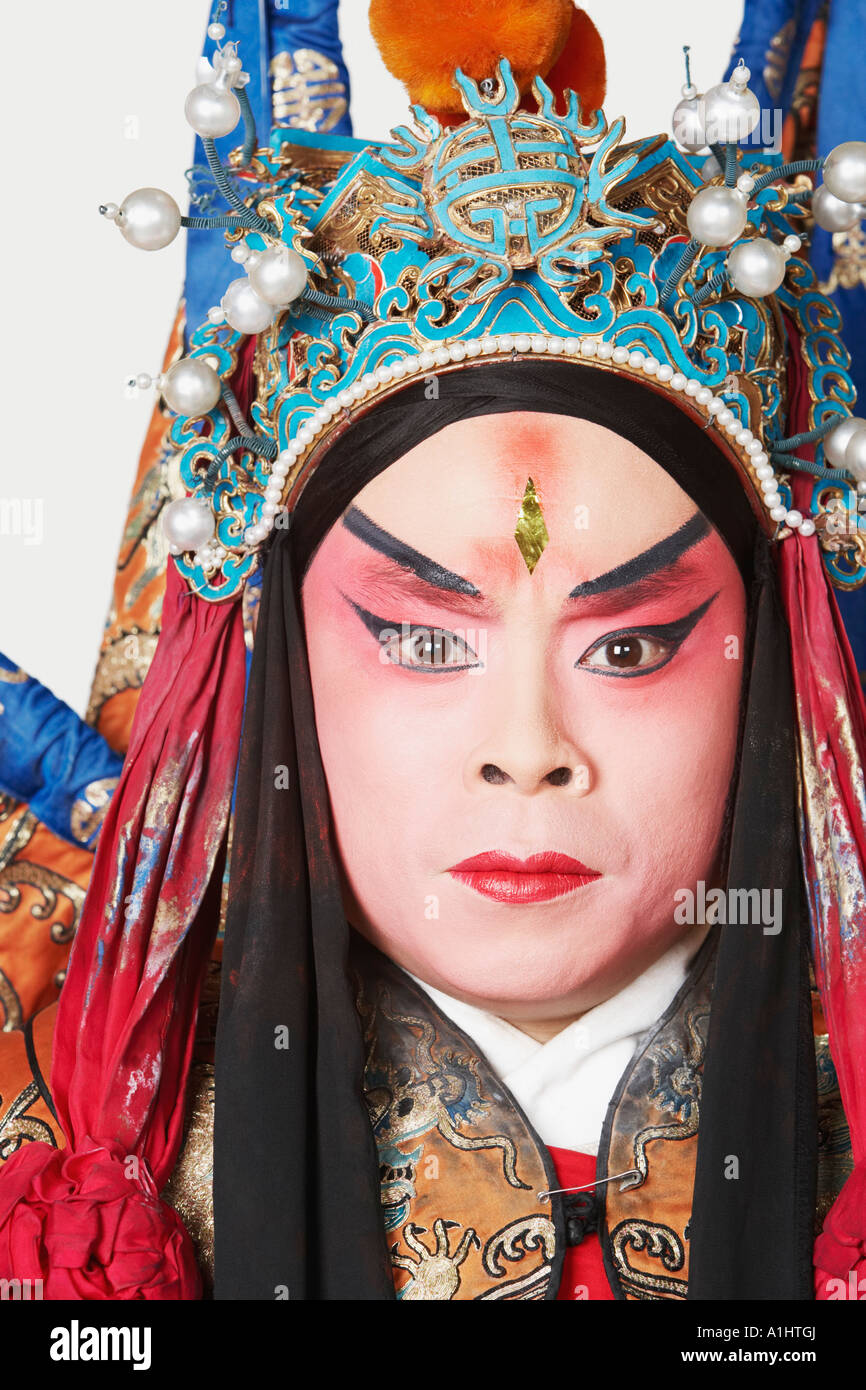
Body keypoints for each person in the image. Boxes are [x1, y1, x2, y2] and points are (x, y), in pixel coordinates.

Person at [0, 2, 864, 1303]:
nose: (528, 752)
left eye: (629, 645)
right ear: (277, 656)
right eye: (416, 635)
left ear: (771, 661)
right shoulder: (53, 1101)